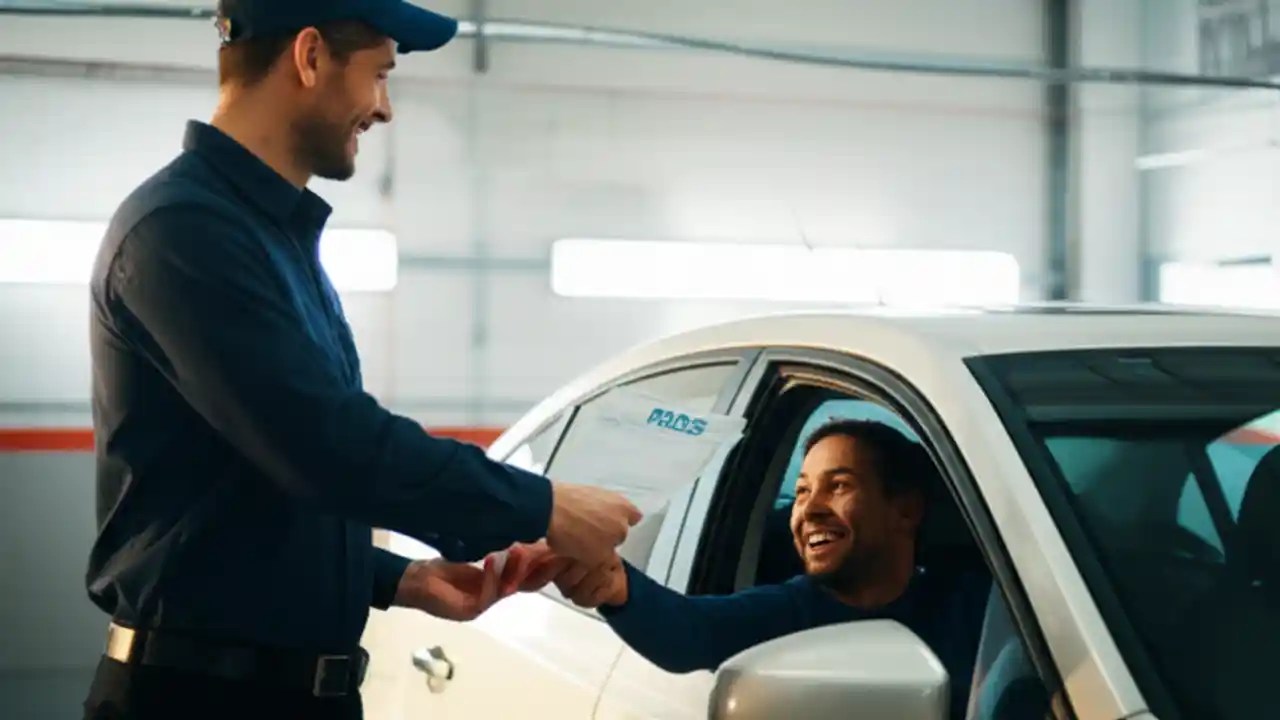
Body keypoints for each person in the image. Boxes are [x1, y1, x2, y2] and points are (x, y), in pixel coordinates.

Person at [82, 2, 640, 719]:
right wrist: (544, 505)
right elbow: (325, 445)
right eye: (379, 75)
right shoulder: (184, 233)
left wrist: (402, 580)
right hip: (198, 698)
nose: (383, 110)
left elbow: (259, 491)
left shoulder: (268, 240)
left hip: (281, 691)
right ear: (310, 57)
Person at [529, 420, 991, 720]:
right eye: (803, 491)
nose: (809, 510)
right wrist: (616, 585)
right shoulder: (786, 614)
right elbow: (689, 631)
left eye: (839, 486)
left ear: (906, 510)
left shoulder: (984, 608)